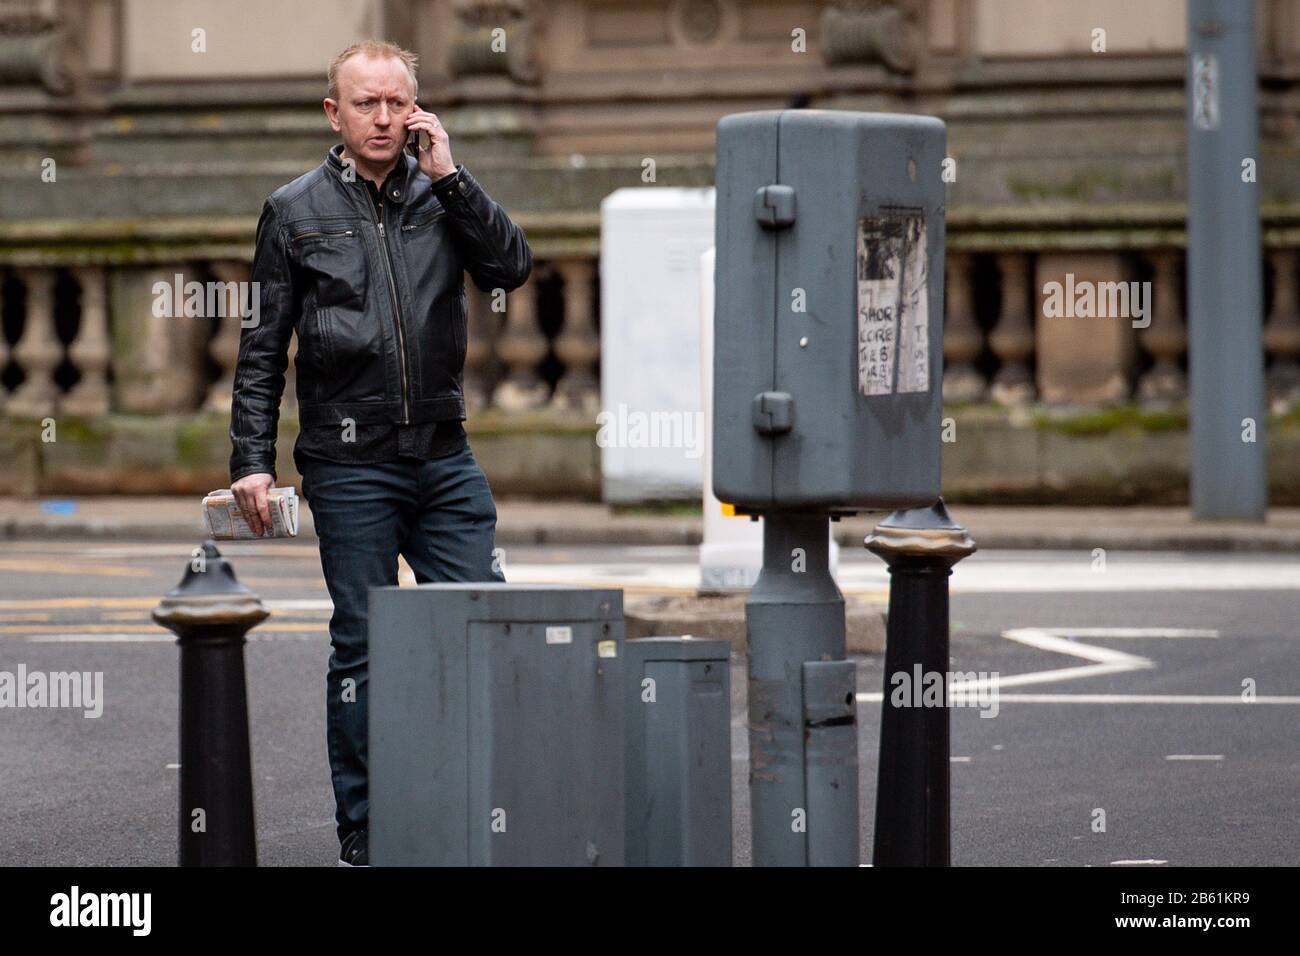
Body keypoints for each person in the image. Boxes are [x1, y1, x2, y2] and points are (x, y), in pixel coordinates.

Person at [227, 39, 531, 866]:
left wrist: (454, 179)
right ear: (335, 112)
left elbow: (511, 266)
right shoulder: (293, 210)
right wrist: (251, 460)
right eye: (368, 103)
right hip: (348, 461)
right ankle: (365, 827)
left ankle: (478, 803)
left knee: (478, 622)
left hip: (442, 453)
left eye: (400, 102)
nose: (387, 118)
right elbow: (263, 349)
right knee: (363, 642)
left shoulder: (442, 195)